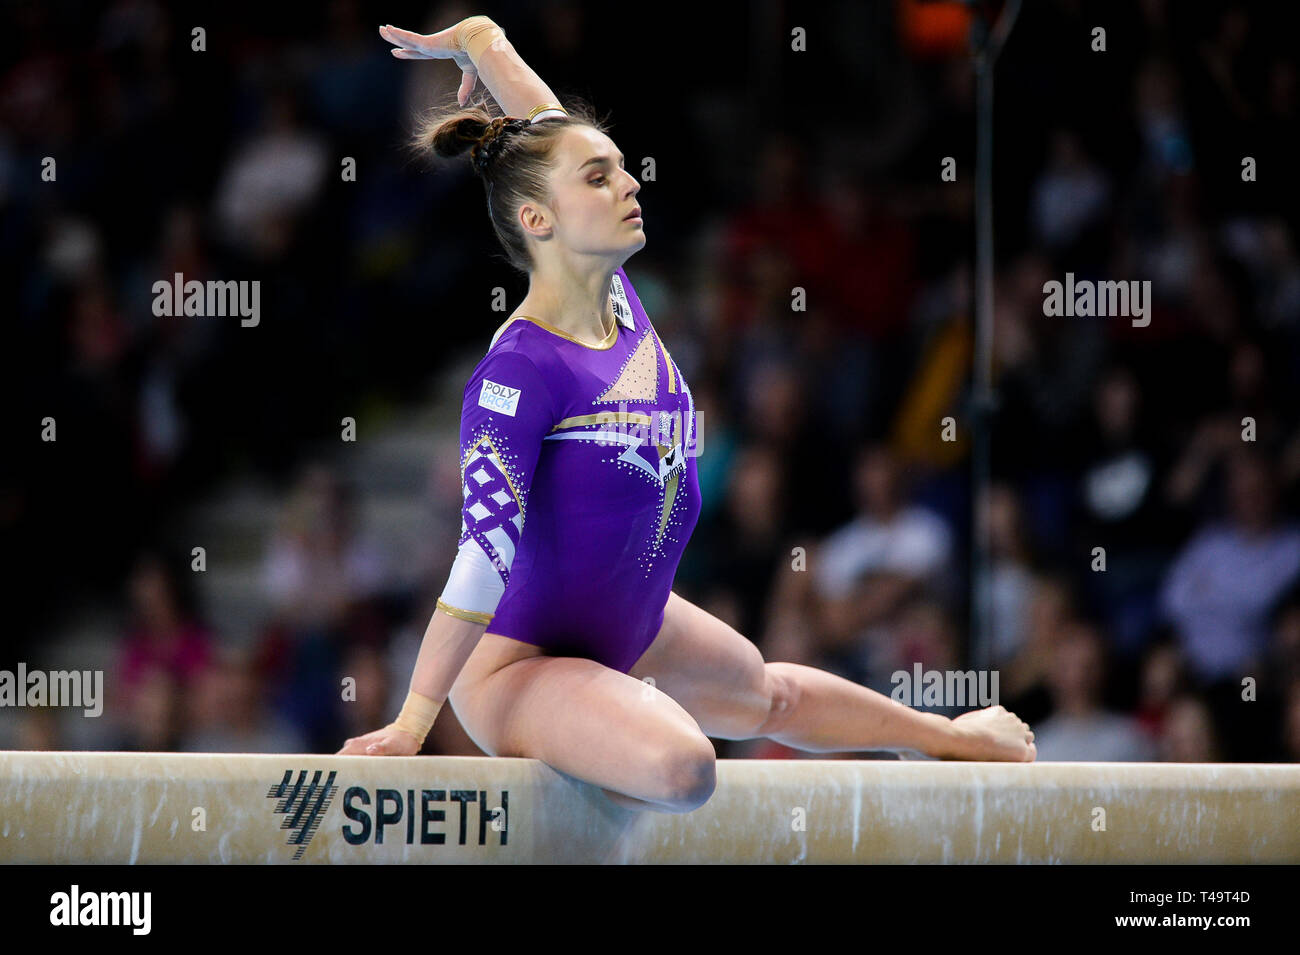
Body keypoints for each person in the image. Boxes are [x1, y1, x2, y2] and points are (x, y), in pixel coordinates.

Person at [339, 15, 1035, 813]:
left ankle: (944, 735)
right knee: (684, 765)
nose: (630, 183)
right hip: (518, 660)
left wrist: (487, 45)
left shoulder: (618, 306)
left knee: (768, 696)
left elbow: (546, 130)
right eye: (599, 179)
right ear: (541, 222)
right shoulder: (522, 372)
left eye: (622, 168)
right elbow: (481, 554)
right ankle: (601, 721)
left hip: (630, 620)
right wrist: (412, 722)